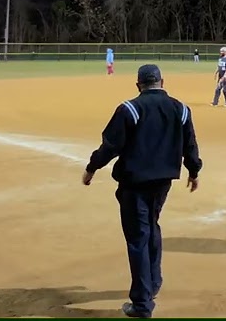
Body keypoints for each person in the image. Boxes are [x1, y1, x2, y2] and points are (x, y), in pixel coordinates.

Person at [82, 64, 203, 319]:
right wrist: (194, 171)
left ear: (138, 85)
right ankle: (153, 281)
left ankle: (141, 304)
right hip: (163, 183)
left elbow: (110, 146)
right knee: (151, 225)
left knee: (138, 237)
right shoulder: (180, 109)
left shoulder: (130, 109)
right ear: (162, 81)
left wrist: (92, 167)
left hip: (134, 184)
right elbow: (190, 145)